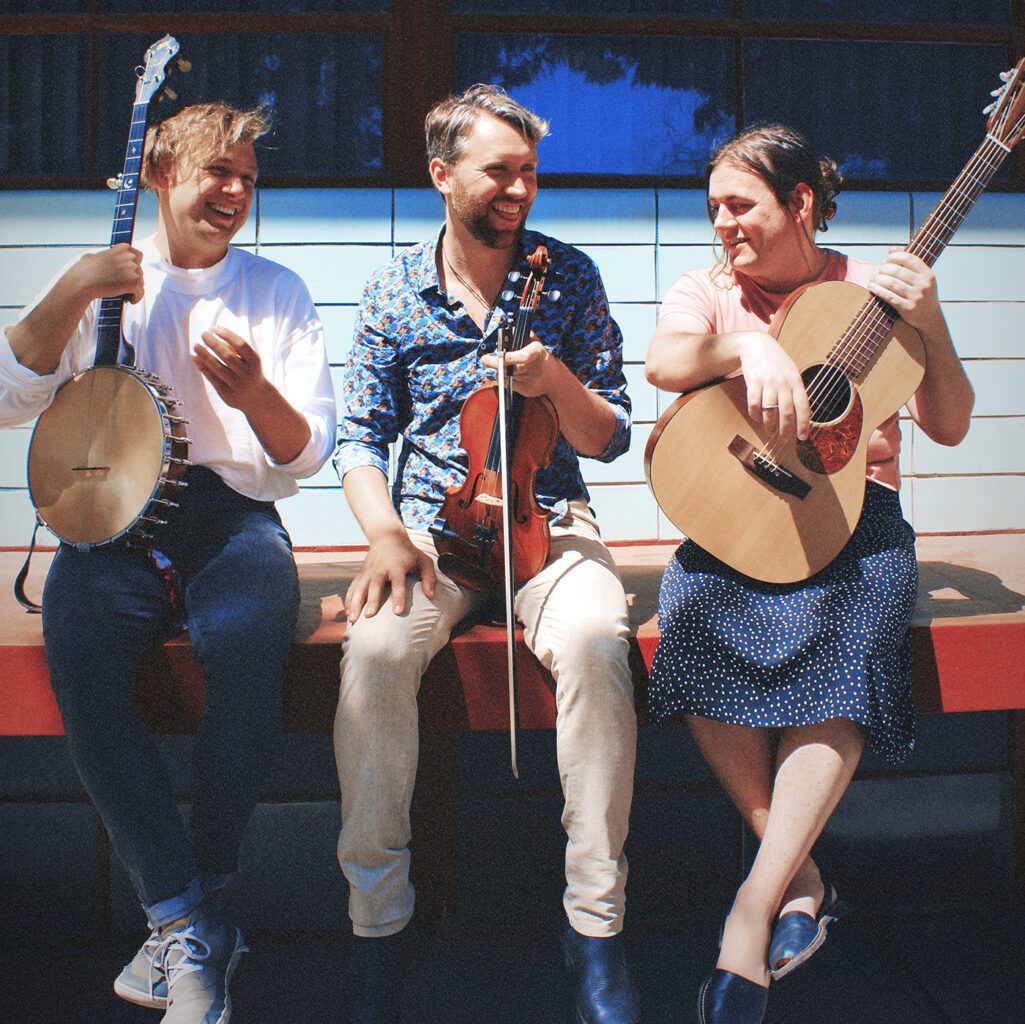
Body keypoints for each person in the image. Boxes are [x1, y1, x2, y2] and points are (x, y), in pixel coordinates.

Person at [0, 102, 336, 1024]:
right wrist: (74, 287)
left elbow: (304, 456)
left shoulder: (276, 291)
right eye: (215, 172)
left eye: (247, 178)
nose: (234, 191)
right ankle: (185, 915)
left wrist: (256, 393)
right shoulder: (103, 282)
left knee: (246, 643)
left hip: (231, 518)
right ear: (157, 175)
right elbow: (6, 397)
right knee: (78, 650)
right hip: (110, 513)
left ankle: (199, 895)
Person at [644, 124, 974, 1024]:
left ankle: (755, 906)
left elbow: (948, 422)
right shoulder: (709, 289)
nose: (723, 225)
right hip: (739, 511)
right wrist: (745, 349)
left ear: (798, 205)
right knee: (693, 615)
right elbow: (665, 362)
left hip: (851, 518)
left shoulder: (870, 292)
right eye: (713, 207)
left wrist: (932, 321)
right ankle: (806, 876)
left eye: (740, 205)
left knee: (852, 645)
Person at [333, 84, 639, 1024]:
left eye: (528, 171)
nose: (519, 187)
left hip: (551, 524)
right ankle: (378, 923)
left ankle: (595, 927)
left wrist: (556, 384)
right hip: (433, 526)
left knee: (596, 645)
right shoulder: (393, 292)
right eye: (498, 169)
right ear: (442, 174)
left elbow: (611, 437)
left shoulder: (569, 278)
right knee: (375, 656)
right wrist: (384, 532)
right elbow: (357, 437)